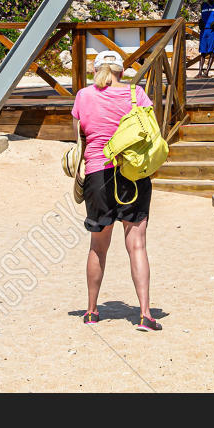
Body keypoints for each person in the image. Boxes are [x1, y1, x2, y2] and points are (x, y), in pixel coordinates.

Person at [72, 49, 160, 331]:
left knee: (98, 246)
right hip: (132, 174)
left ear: (95, 70)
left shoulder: (83, 96)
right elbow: (152, 136)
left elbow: (79, 139)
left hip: (97, 173)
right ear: (122, 71)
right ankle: (145, 314)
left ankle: (91, 311)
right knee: (137, 245)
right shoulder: (137, 95)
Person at [196, 0, 214, 77]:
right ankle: (200, 72)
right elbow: (202, 15)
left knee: (211, 52)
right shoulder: (203, 5)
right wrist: (200, 21)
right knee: (202, 51)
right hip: (204, 30)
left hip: (213, 30)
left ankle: (206, 72)